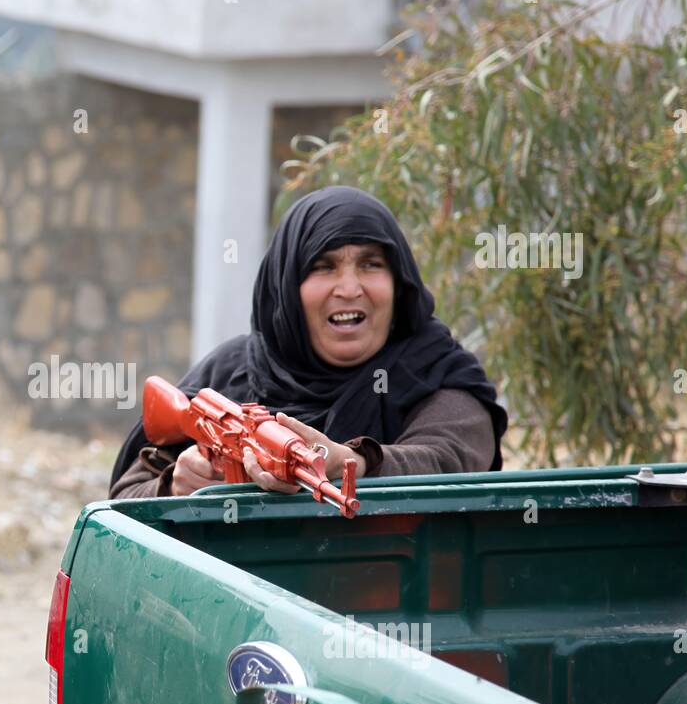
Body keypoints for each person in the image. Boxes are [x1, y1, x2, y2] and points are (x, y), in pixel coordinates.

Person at [111, 185, 507, 498]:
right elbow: (122, 502)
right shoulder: (230, 374)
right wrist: (175, 486)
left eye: (371, 264)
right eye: (323, 267)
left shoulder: (438, 372)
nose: (349, 288)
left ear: (398, 283)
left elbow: (448, 462)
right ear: (286, 288)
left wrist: (353, 463)